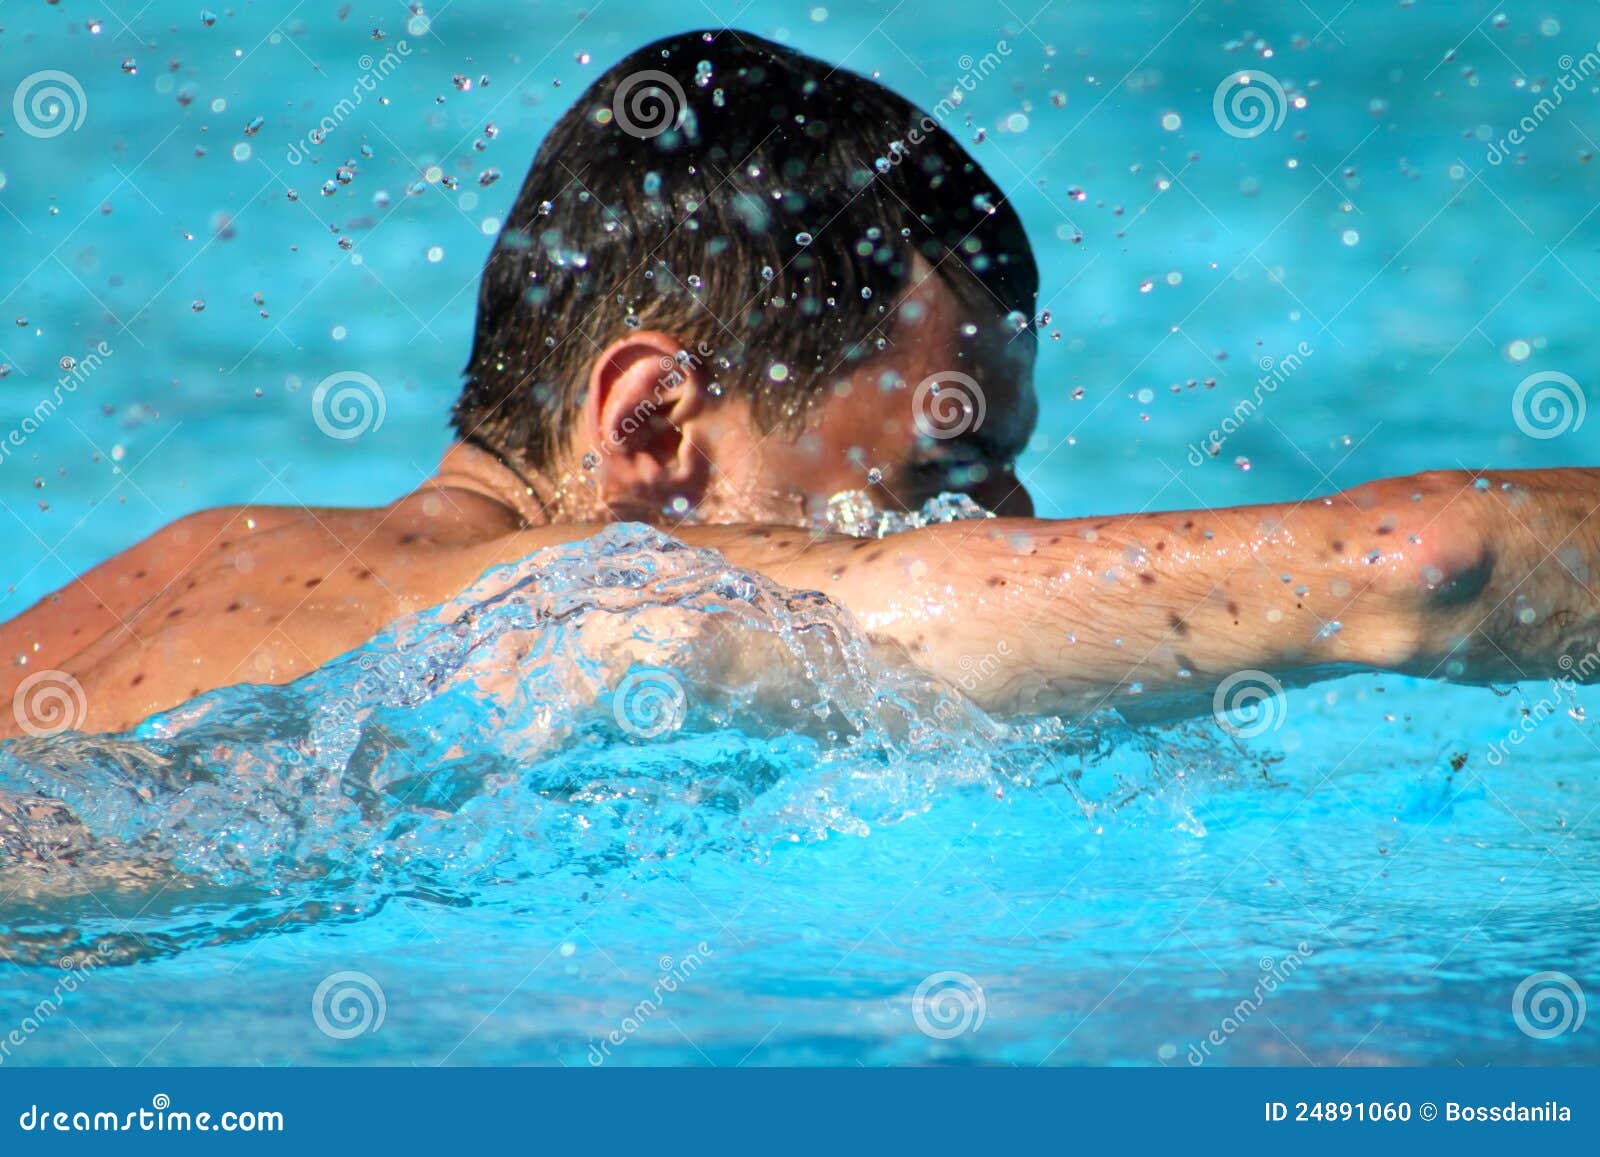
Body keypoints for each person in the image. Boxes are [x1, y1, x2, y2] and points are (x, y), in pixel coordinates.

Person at [2, 29, 1595, 739]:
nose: (1013, 531)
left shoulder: (182, 568)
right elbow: (1420, 571)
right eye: (941, 477)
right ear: (653, 428)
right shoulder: (601, 610)